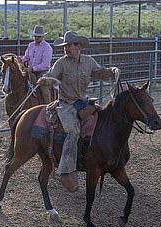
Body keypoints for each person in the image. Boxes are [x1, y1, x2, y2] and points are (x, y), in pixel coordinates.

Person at [37, 31, 118, 192]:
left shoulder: (88, 62)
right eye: (65, 46)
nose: (66, 48)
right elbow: (51, 75)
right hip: (66, 104)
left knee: (103, 117)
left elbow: (100, 72)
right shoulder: (61, 63)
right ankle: (65, 171)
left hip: (82, 101)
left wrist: (112, 71)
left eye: (69, 45)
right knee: (73, 131)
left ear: (78, 46)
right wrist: (45, 80)